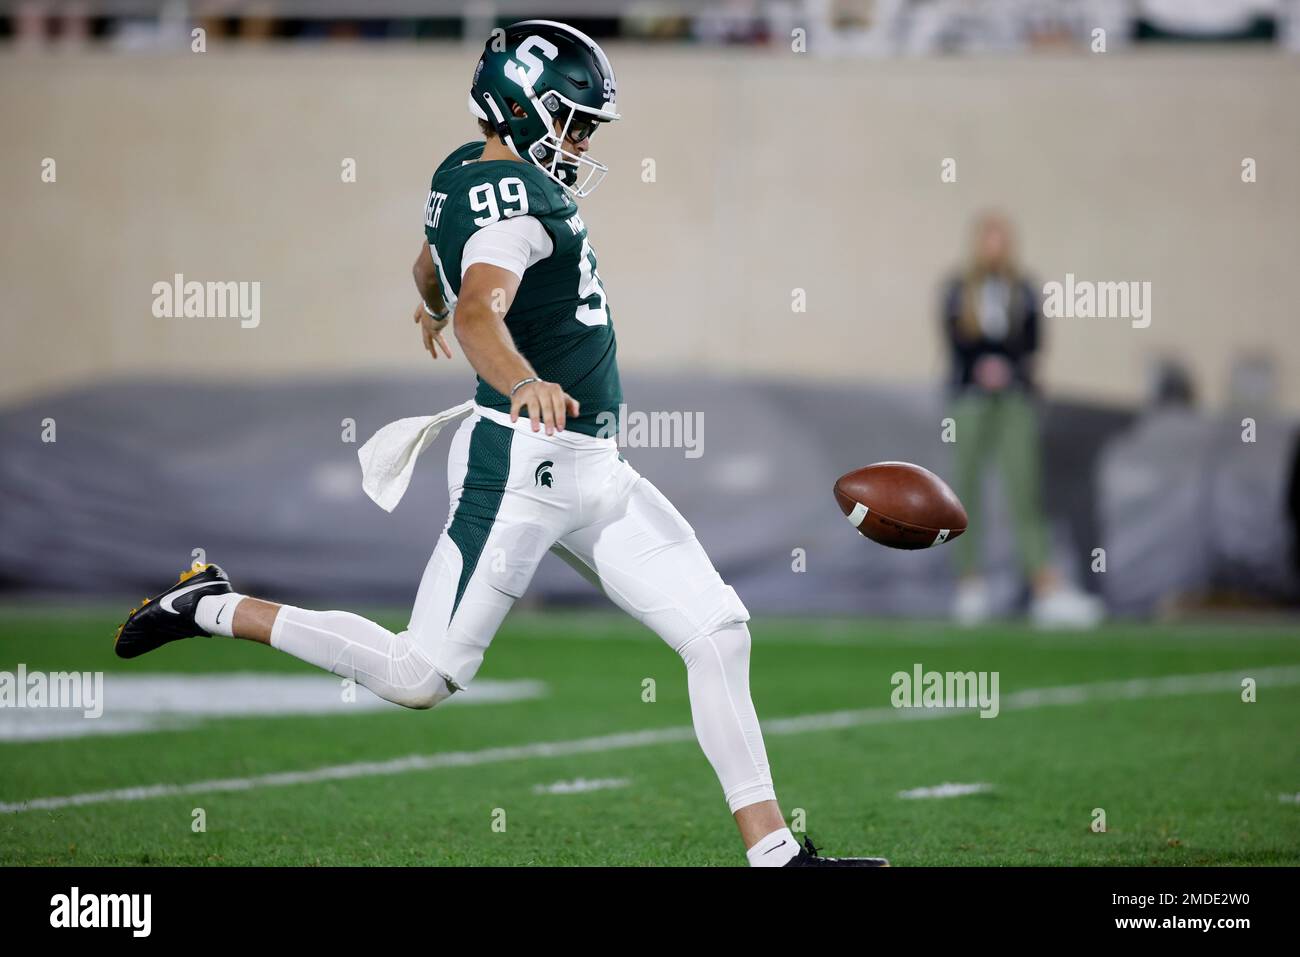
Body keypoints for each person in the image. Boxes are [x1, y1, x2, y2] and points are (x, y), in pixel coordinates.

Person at [114, 20, 883, 868]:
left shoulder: (462, 172)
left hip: (594, 466)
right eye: (572, 119)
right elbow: (482, 305)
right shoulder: (515, 202)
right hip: (520, 466)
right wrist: (515, 373)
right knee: (418, 677)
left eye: (588, 125)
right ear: (517, 105)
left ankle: (774, 856)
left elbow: (431, 267)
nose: (581, 140)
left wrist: (433, 299)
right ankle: (208, 604)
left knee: (719, 631)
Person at [943, 211, 1102, 628]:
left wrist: (1006, 369)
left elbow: (1033, 341)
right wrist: (982, 367)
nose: (995, 247)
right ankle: (970, 585)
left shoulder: (1023, 290)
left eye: (1002, 240)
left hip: (1013, 397)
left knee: (1024, 490)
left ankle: (1044, 585)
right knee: (964, 493)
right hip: (972, 398)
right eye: (988, 239)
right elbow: (955, 341)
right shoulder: (958, 290)